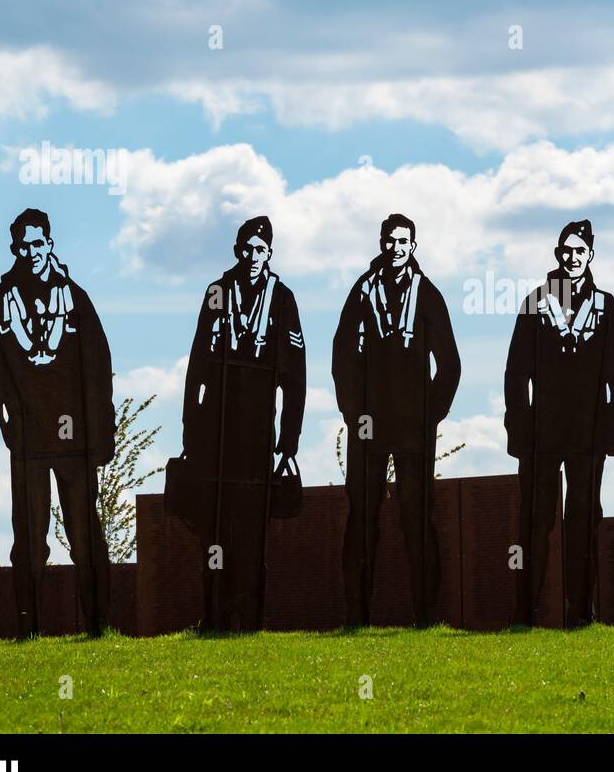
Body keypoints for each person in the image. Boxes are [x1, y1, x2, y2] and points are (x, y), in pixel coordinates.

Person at [0, 208, 115, 638]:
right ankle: (28, 629)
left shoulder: (75, 297)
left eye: (39, 243)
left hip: (73, 437)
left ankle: (97, 626)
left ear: (50, 244)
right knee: (29, 539)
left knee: (84, 533)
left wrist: (102, 435)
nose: (32, 251)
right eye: (24, 245)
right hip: (28, 439)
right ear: (15, 248)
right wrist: (9, 420)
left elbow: (99, 368)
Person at [179, 216, 306, 632]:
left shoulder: (282, 299)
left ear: (270, 253)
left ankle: (250, 619)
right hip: (214, 430)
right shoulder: (217, 292)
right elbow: (197, 361)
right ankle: (214, 614)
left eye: (261, 250)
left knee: (252, 531)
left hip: (257, 433)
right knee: (213, 527)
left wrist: (289, 443)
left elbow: (296, 377)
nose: (253, 257)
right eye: (247, 249)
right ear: (237, 250)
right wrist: (188, 426)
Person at [333, 213, 461, 627]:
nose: (395, 248)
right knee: (362, 519)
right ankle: (356, 616)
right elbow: (342, 358)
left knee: (416, 519)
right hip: (368, 425)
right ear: (382, 242)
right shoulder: (362, 291)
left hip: (413, 427)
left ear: (413, 246)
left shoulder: (428, 293)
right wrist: (354, 414)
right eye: (390, 241)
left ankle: (425, 616)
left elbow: (450, 364)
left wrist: (430, 415)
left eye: (403, 242)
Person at [504, 220, 614, 626]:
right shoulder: (535, 302)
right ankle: (526, 612)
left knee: (583, 521)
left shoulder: (606, 305)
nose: (572, 258)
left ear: (590, 255)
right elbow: (515, 375)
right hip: (542, 433)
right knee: (535, 521)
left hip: (588, 434)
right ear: (558, 254)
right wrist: (519, 431)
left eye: (579, 251)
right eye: (566, 251)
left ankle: (582, 613)